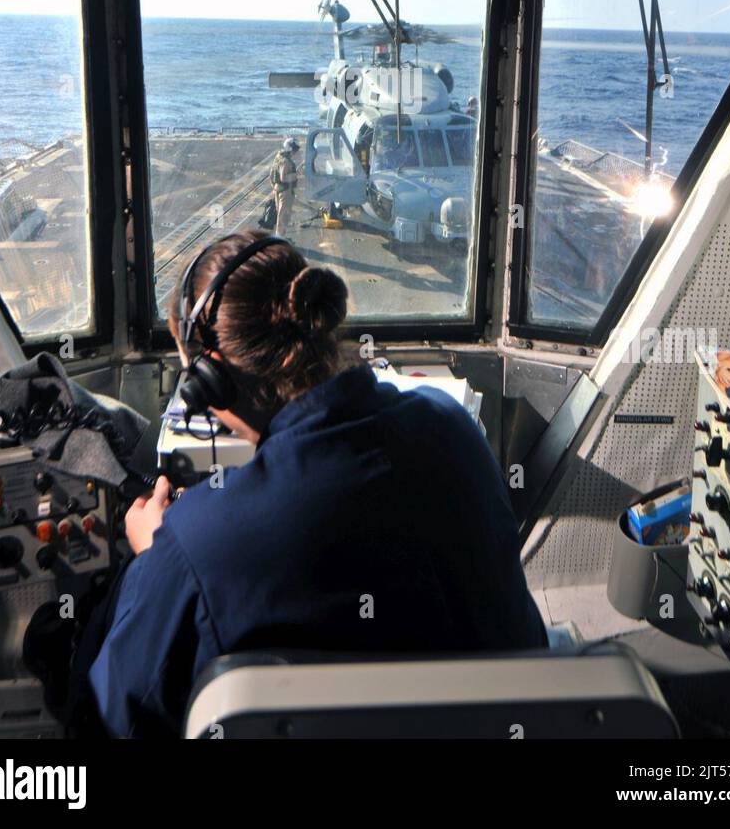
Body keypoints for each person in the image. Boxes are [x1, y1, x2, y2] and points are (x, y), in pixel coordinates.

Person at [88, 230, 546, 737]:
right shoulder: (453, 429)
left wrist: (153, 563)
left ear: (211, 378)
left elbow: (113, 716)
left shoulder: (196, 543)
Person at [270, 135, 299, 235]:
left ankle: (280, 236)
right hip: (285, 191)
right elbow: (283, 178)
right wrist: (294, 175)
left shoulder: (278, 157)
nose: (295, 152)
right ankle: (280, 238)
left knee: (280, 214)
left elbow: (271, 174)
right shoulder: (286, 161)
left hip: (278, 189)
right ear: (290, 149)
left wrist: (274, 187)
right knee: (284, 216)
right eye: (294, 149)